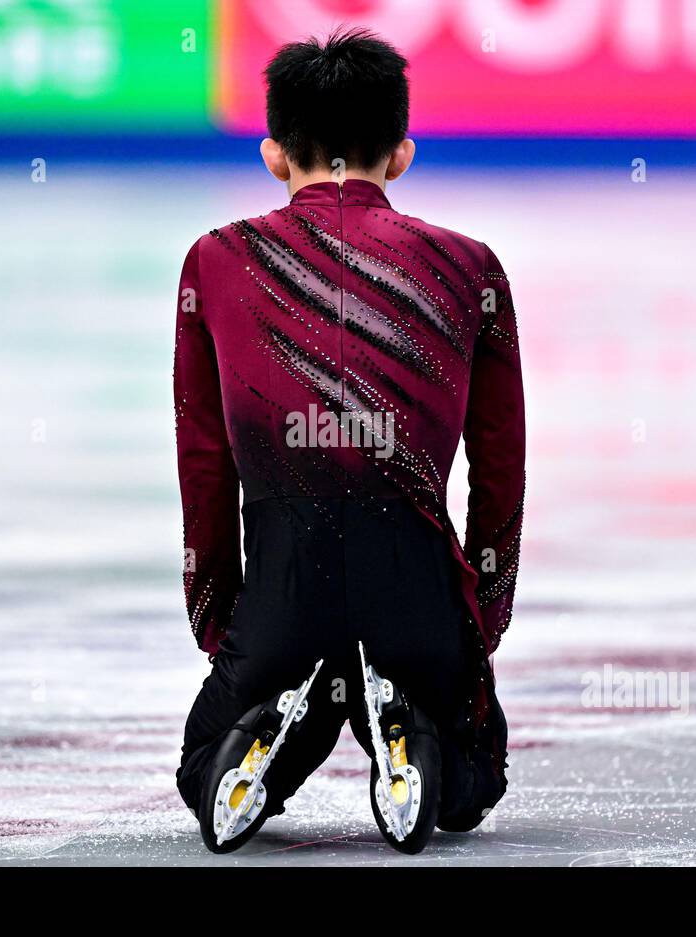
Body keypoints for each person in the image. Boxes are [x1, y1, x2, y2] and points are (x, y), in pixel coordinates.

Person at [172, 27, 524, 854]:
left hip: (283, 588)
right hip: (417, 597)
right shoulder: (471, 265)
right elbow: (499, 465)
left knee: (201, 766)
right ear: (400, 155)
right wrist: (482, 615)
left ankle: (284, 713)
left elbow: (204, 461)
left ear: (271, 155)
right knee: (473, 780)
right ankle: (402, 720)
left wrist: (222, 617)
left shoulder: (216, 261)